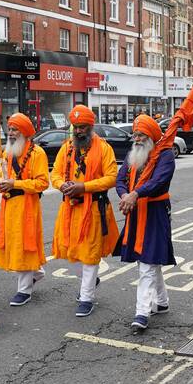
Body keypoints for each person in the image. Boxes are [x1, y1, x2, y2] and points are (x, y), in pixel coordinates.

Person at [51, 105, 120, 318]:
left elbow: (111, 177)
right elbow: (55, 174)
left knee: (90, 256)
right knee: (72, 253)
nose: (78, 131)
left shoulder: (104, 148)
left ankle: (86, 298)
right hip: (70, 210)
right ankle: (90, 282)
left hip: (94, 209)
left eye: (82, 127)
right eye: (75, 127)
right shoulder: (67, 148)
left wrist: (84, 186)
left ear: (90, 127)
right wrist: (62, 185)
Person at [115, 115, 176, 333]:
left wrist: (135, 194)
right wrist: (125, 196)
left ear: (151, 136)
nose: (137, 138)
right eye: (136, 134)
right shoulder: (134, 155)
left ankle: (142, 312)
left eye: (141, 135)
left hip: (156, 212)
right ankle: (161, 301)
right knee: (147, 262)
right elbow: (120, 179)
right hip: (135, 211)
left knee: (148, 262)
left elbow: (158, 182)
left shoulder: (166, 155)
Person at [0, 112, 49, 306]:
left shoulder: (37, 153)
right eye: (9, 129)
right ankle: (37, 272)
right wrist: (1, 184)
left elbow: (42, 183)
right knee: (14, 244)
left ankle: (24, 290)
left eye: (14, 129)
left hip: (27, 206)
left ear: (25, 132)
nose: (10, 132)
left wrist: (15, 184)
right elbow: (1, 176)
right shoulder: (7, 153)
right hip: (8, 206)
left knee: (24, 245)